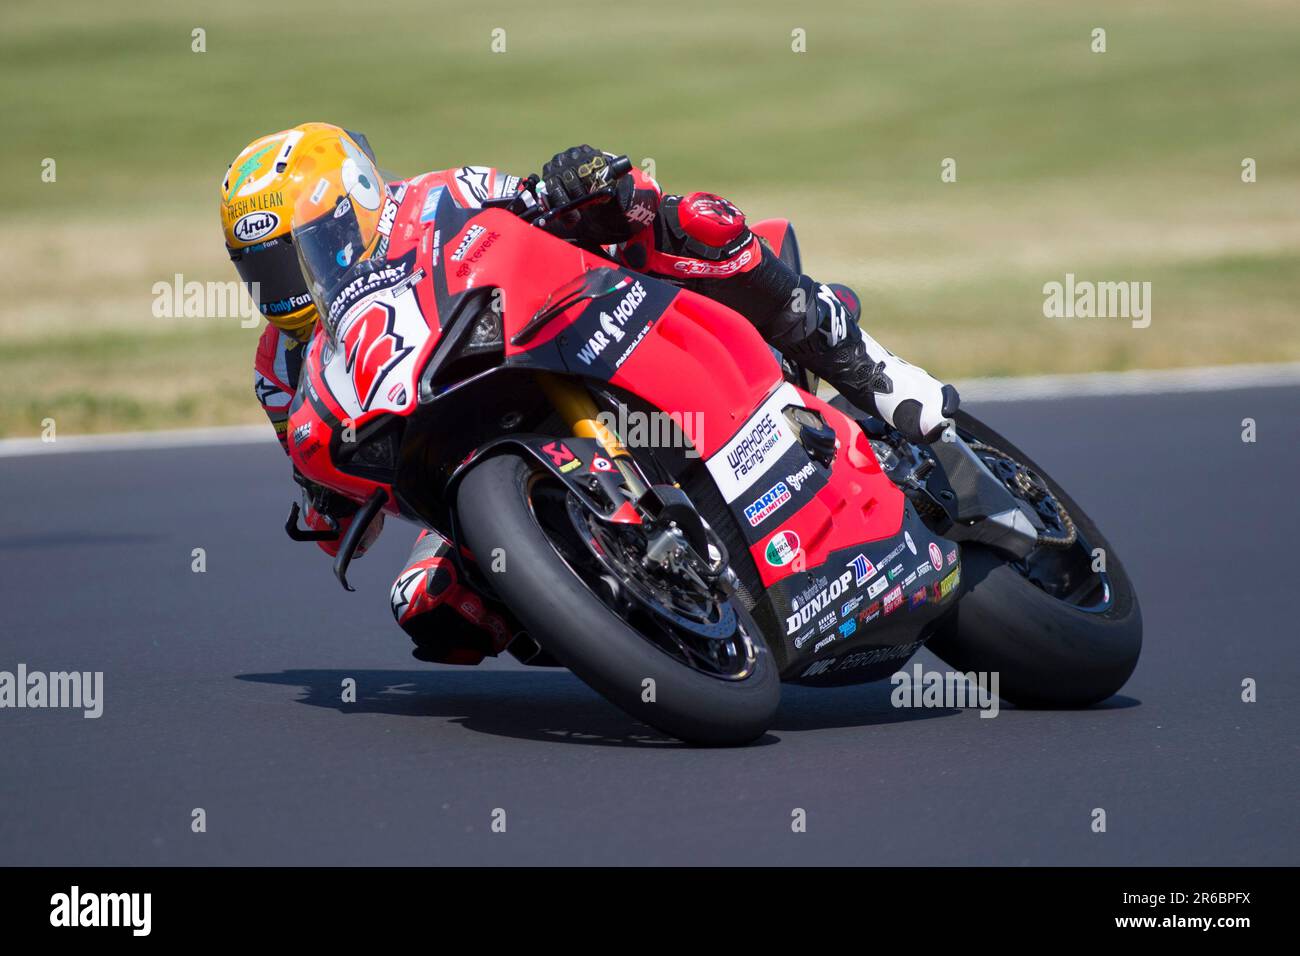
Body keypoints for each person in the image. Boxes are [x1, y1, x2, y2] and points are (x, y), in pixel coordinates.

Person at [219, 125, 959, 663]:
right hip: (459, 445)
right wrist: (324, 505)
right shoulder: (282, 367)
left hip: (573, 325)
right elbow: (330, 483)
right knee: (432, 606)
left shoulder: (436, 196)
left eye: (299, 251)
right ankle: (636, 616)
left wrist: (574, 183)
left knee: (690, 221)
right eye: (264, 269)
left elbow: (536, 203)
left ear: (354, 203)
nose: (288, 283)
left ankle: (874, 370)